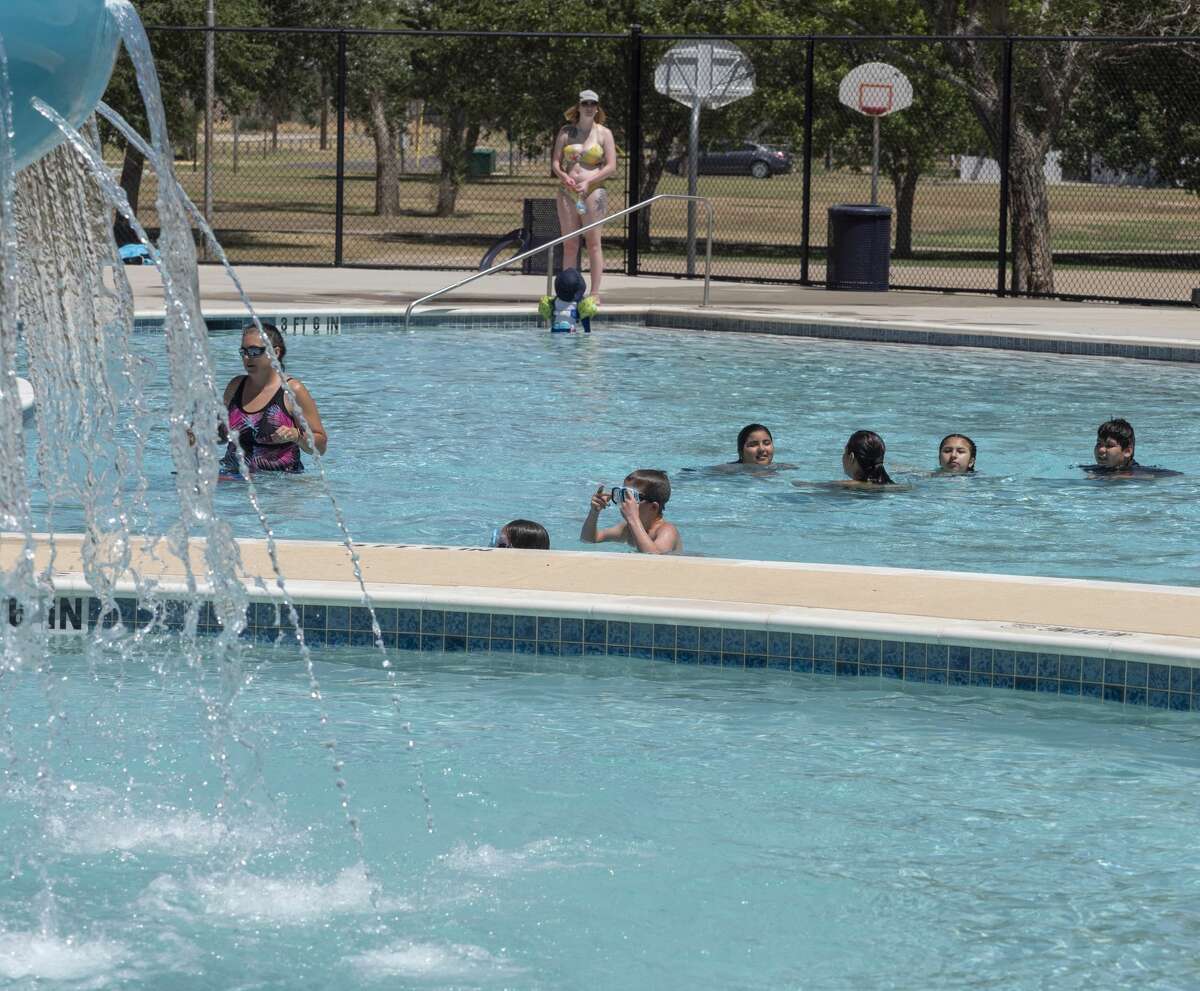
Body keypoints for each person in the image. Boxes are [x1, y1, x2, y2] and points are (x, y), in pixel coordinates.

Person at [220, 322, 327, 477]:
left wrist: (297, 436)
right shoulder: (235, 386)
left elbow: (321, 446)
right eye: (243, 351)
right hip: (234, 476)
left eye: (254, 351)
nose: (247, 357)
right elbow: (221, 436)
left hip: (279, 482)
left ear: (275, 352)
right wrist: (197, 434)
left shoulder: (291, 390)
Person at [551, 89, 617, 300]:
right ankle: (567, 293)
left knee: (593, 243)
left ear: (597, 108)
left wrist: (589, 181)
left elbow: (611, 166)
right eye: (585, 104)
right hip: (567, 192)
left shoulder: (604, 133)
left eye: (593, 104)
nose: (589, 107)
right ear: (578, 107)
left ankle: (595, 293)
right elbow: (555, 163)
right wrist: (563, 176)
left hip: (593, 190)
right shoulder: (566, 132)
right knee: (570, 244)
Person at [580, 469, 681, 554]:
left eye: (631, 497)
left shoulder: (666, 531)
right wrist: (594, 512)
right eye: (622, 494)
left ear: (653, 507)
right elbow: (589, 540)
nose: (624, 502)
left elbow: (655, 558)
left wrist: (633, 518)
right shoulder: (627, 529)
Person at [1082, 417, 1180, 478]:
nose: (1100, 450)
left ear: (1127, 452)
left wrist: (1137, 477)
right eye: (1099, 444)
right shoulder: (1090, 470)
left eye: (1109, 446)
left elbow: (1177, 475)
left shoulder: (1141, 472)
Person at [538, 267, 597, 333]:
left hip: (555, 329)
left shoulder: (555, 301)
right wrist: (587, 331)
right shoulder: (580, 303)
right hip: (570, 330)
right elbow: (585, 319)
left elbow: (551, 314)